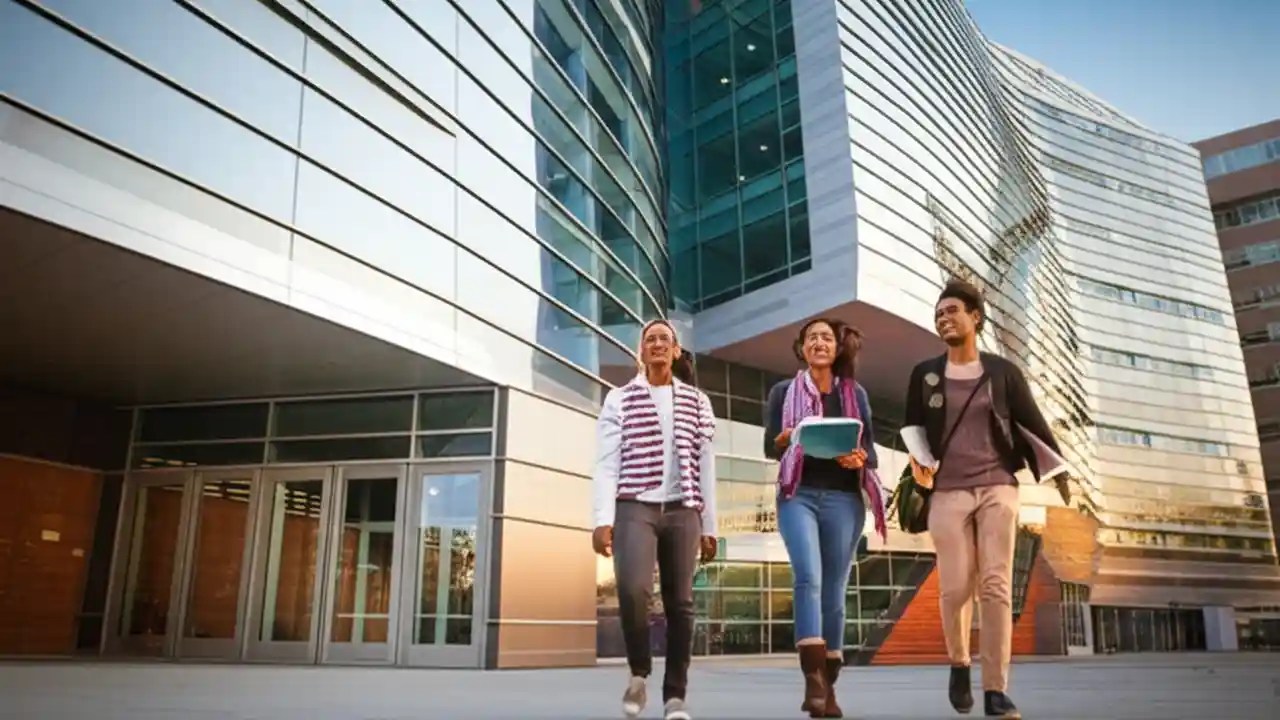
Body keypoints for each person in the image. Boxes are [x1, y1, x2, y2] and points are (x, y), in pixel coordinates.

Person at [903, 279, 1062, 719]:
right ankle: (958, 662)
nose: (944, 317)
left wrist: (1058, 469)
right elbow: (912, 427)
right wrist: (920, 463)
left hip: (997, 486)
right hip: (947, 491)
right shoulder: (925, 373)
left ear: (975, 317)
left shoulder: (1002, 372)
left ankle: (996, 689)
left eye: (952, 309)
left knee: (995, 586)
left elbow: (1032, 423)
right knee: (955, 588)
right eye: (939, 313)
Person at [592, 319, 719, 720]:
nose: (658, 344)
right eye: (651, 340)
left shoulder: (697, 401)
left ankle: (675, 696)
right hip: (635, 505)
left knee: (680, 602)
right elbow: (606, 461)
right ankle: (638, 672)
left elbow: (706, 464)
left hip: (683, 509)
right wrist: (601, 518)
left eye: (666, 339)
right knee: (633, 590)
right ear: (641, 352)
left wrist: (710, 524)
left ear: (676, 351)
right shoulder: (620, 399)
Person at [765, 318, 887, 719]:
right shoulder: (783, 392)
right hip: (797, 494)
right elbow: (771, 445)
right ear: (802, 348)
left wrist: (858, 458)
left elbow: (869, 451)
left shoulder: (856, 394)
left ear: (837, 348)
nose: (819, 342)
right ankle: (812, 677)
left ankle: (828, 686)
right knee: (808, 577)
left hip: (843, 499)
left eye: (827, 337)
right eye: (812, 337)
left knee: (835, 589)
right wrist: (786, 438)